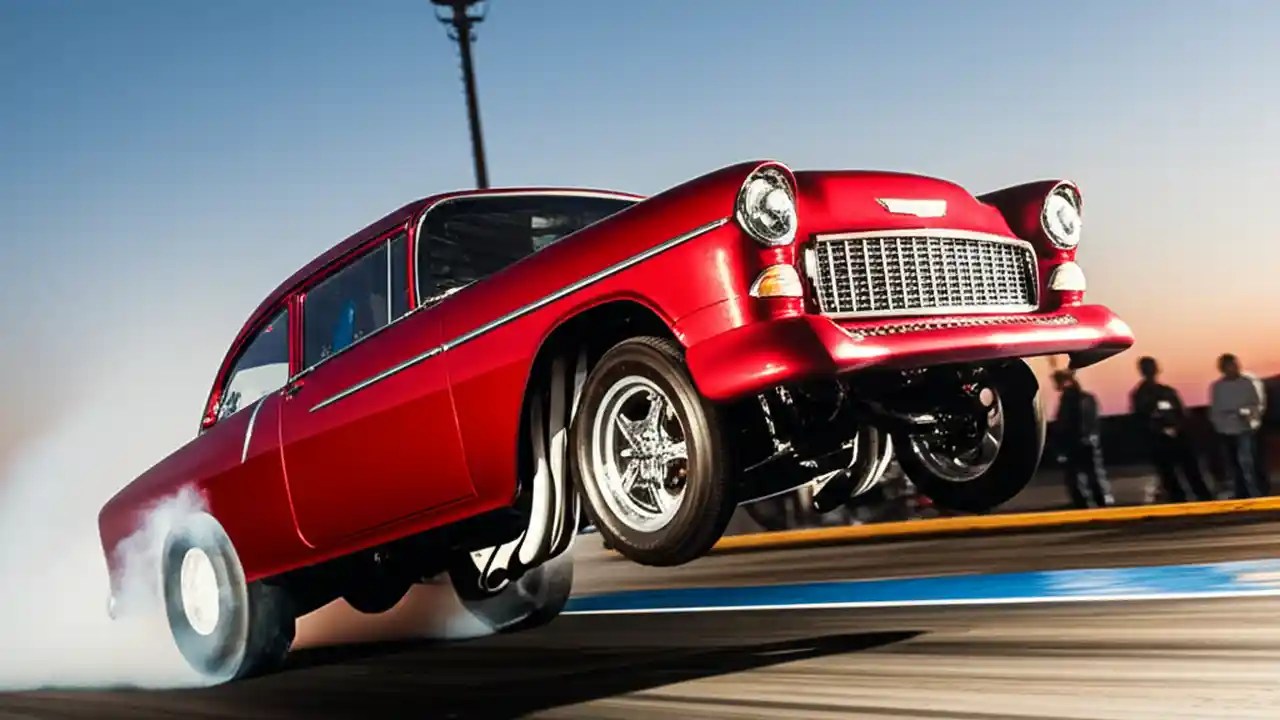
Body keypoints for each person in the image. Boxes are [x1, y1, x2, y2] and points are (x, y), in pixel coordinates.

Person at [1129, 357, 1213, 502]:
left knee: (1191, 472)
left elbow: (1181, 412)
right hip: (1158, 440)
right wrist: (1160, 428)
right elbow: (1141, 418)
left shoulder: (1166, 391)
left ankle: (1203, 499)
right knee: (1169, 475)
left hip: (1178, 436)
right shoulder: (1140, 395)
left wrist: (1176, 427)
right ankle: (1182, 501)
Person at [1053, 369, 1114, 508]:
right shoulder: (1085, 398)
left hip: (1076, 442)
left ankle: (1087, 502)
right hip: (1086, 442)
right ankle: (1100, 500)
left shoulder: (1071, 400)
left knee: (1077, 476)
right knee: (1090, 474)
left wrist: (1062, 444)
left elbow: (1065, 423)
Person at [1209, 354, 1265, 498]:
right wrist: (1221, 423)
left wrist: (1248, 415)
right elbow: (1215, 410)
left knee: (1247, 463)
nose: (1234, 368)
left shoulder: (1247, 383)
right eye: (1229, 365)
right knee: (1234, 466)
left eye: (1234, 364)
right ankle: (1242, 494)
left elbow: (1256, 404)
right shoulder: (1218, 387)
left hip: (1245, 429)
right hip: (1226, 431)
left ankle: (1255, 494)